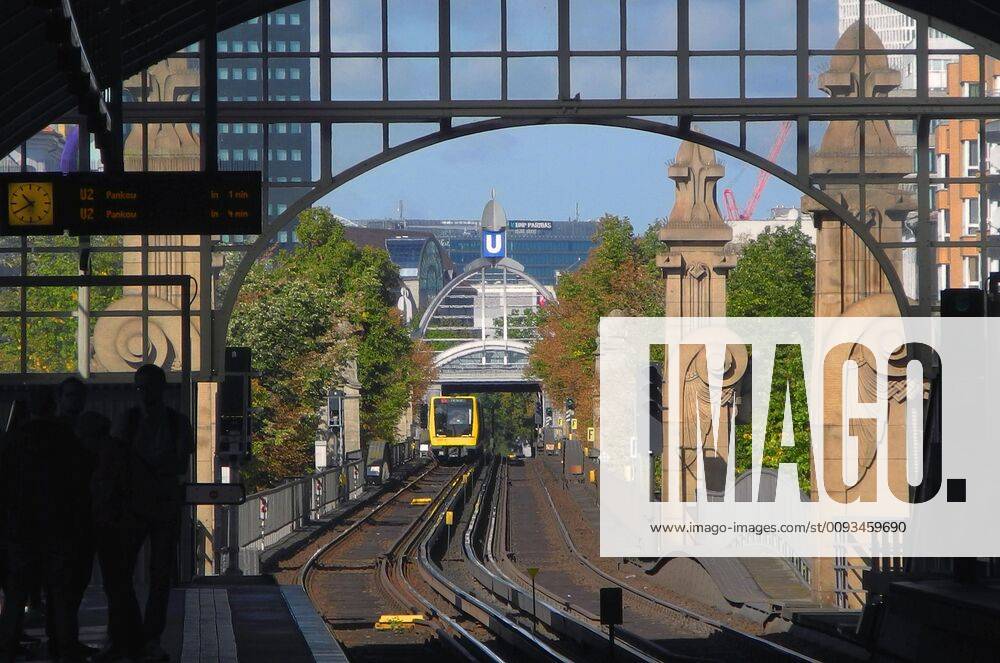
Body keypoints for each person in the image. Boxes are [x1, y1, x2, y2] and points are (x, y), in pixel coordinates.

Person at [111, 364, 194, 662]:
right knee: (134, 572)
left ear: (160, 388)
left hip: (146, 505)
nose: (144, 393)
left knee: (151, 574)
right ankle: (139, 635)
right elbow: (179, 464)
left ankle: (141, 637)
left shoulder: (135, 422)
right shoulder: (173, 423)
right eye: (141, 387)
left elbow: (118, 458)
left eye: (147, 387)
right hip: (152, 503)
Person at [0, 387, 87, 663]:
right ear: (54, 406)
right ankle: (63, 647)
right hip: (58, 526)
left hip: (21, 529)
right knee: (60, 594)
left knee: (16, 595)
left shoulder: (13, 440)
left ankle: (7, 646)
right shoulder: (66, 439)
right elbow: (78, 481)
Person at [54, 377, 100, 660]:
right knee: (66, 584)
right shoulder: (81, 434)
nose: (74, 401)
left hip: (76, 517)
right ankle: (64, 641)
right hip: (67, 517)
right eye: (70, 396)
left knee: (72, 583)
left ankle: (64, 639)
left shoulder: (76, 432)